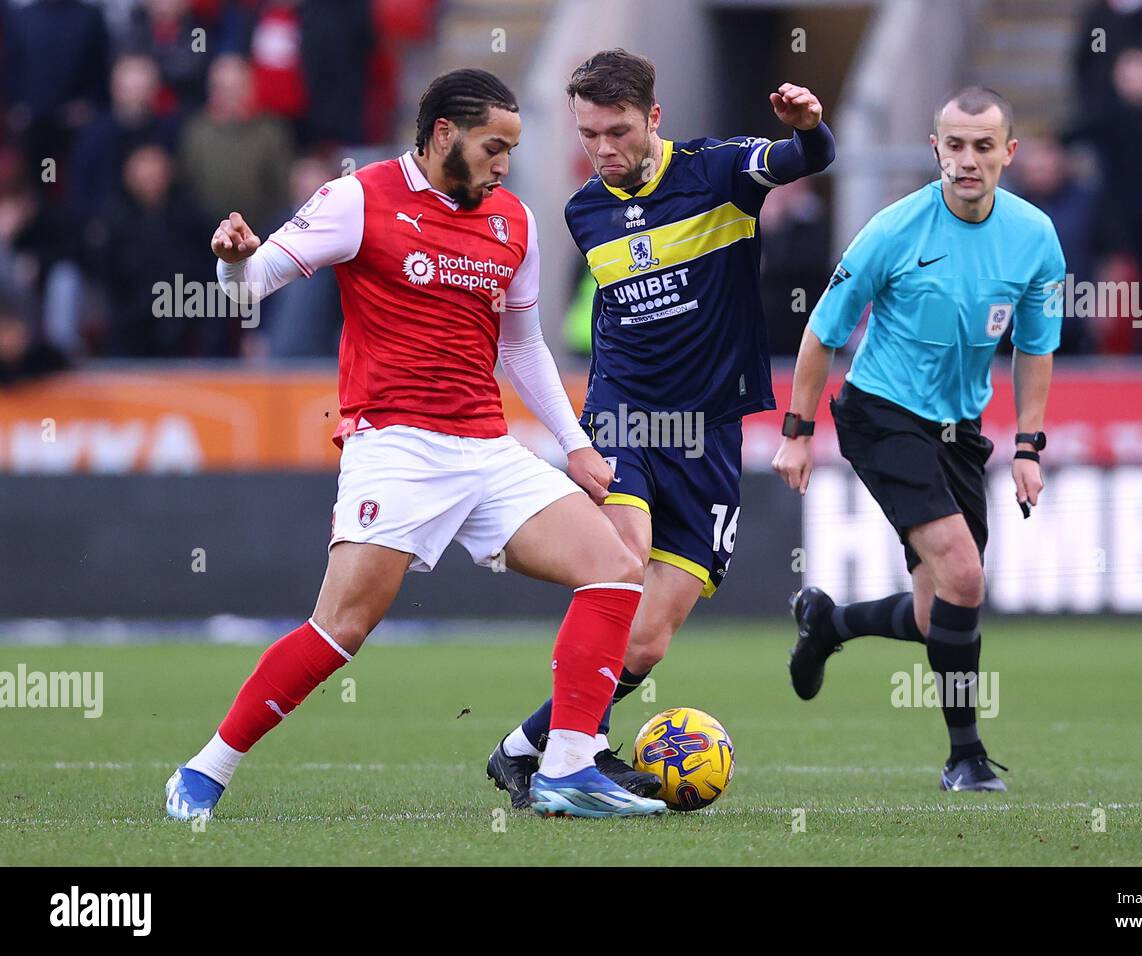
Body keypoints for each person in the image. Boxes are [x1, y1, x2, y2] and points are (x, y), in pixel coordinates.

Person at [165, 69, 666, 821]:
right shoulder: (357, 198)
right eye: (493, 147)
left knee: (616, 570)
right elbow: (244, 292)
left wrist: (573, 444)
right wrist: (233, 258)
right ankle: (204, 771)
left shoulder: (515, 222)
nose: (504, 164)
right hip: (396, 446)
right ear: (442, 135)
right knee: (342, 629)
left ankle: (567, 763)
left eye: (512, 149)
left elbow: (523, 345)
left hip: (487, 447)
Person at [486, 48, 834, 807]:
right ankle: (578, 762)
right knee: (624, 557)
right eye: (588, 135)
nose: (603, 150)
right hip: (625, 413)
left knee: (647, 638)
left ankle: (524, 748)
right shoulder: (584, 211)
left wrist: (809, 128)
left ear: (653, 117)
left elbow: (809, 157)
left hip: (709, 430)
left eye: (616, 131)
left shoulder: (721, 173)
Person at [773, 87, 1065, 793]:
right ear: (935, 149)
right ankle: (965, 756)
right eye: (954, 146)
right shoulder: (893, 230)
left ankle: (829, 623)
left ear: (1008, 154)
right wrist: (798, 432)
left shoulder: (1035, 238)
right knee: (965, 575)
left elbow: (1036, 348)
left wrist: (1028, 446)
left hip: (960, 432)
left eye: (983, 147)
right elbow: (823, 332)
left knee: (942, 613)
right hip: (881, 415)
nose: (968, 161)